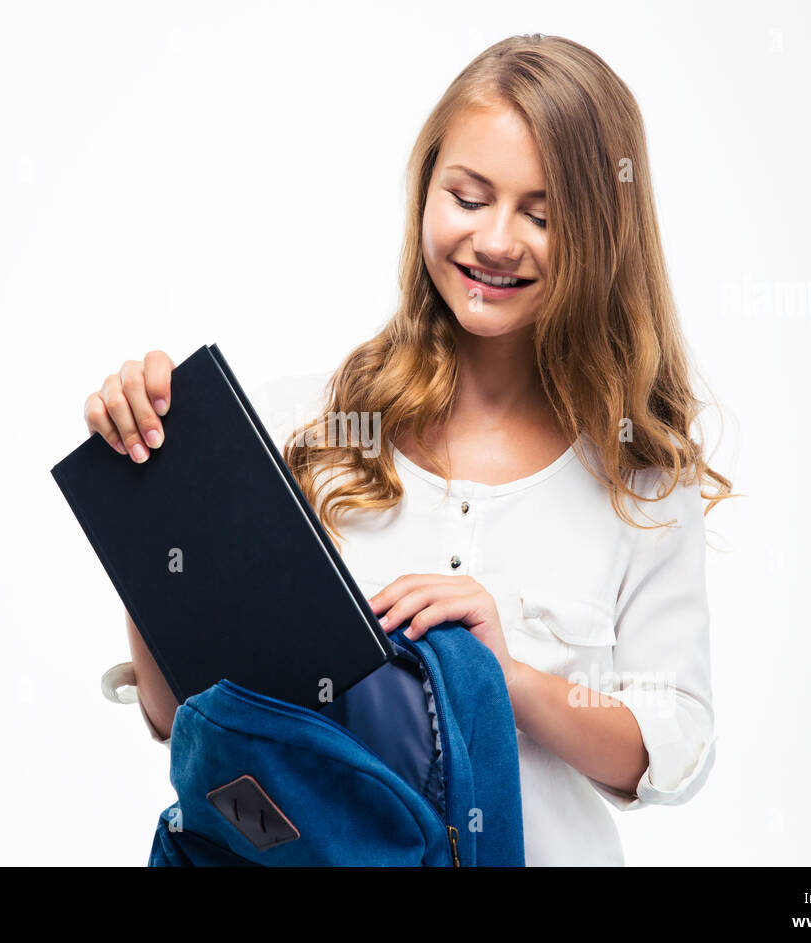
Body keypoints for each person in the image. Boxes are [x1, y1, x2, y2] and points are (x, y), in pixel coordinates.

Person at [86, 34, 735, 866]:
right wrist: (153, 518)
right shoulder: (301, 426)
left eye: (542, 215)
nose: (498, 241)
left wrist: (503, 685)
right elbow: (188, 721)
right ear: (426, 192)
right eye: (468, 197)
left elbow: (671, 747)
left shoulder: (641, 479)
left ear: (605, 231)